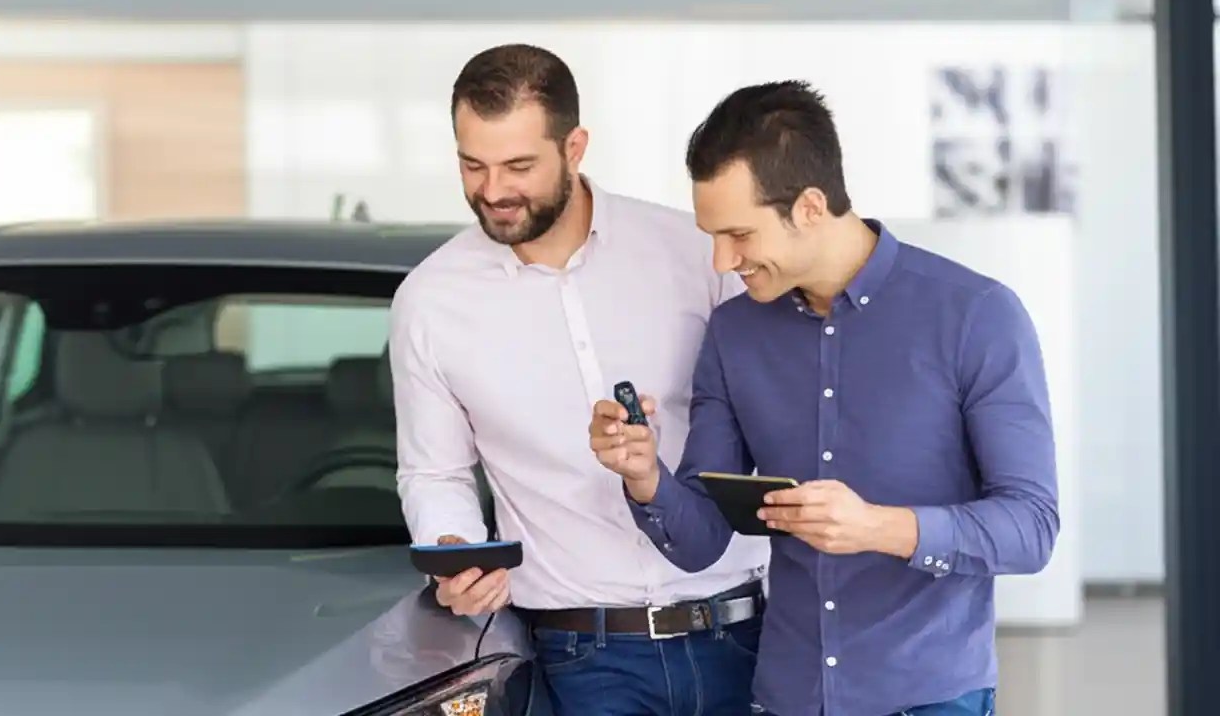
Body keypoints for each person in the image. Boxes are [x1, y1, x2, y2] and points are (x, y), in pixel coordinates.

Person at [588, 80, 1059, 716]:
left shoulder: (977, 316)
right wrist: (645, 476)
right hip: (787, 696)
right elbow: (700, 540)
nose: (724, 261)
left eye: (740, 235)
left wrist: (878, 527)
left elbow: (1031, 529)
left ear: (810, 206)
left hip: (929, 696)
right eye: (713, 238)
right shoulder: (734, 335)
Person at [389, 43, 771, 715]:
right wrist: (455, 548)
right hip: (585, 658)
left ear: (574, 147)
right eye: (471, 165)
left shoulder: (695, 254)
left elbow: (766, 418)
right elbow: (435, 474)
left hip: (744, 637)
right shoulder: (431, 301)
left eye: (519, 166)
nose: (493, 190)